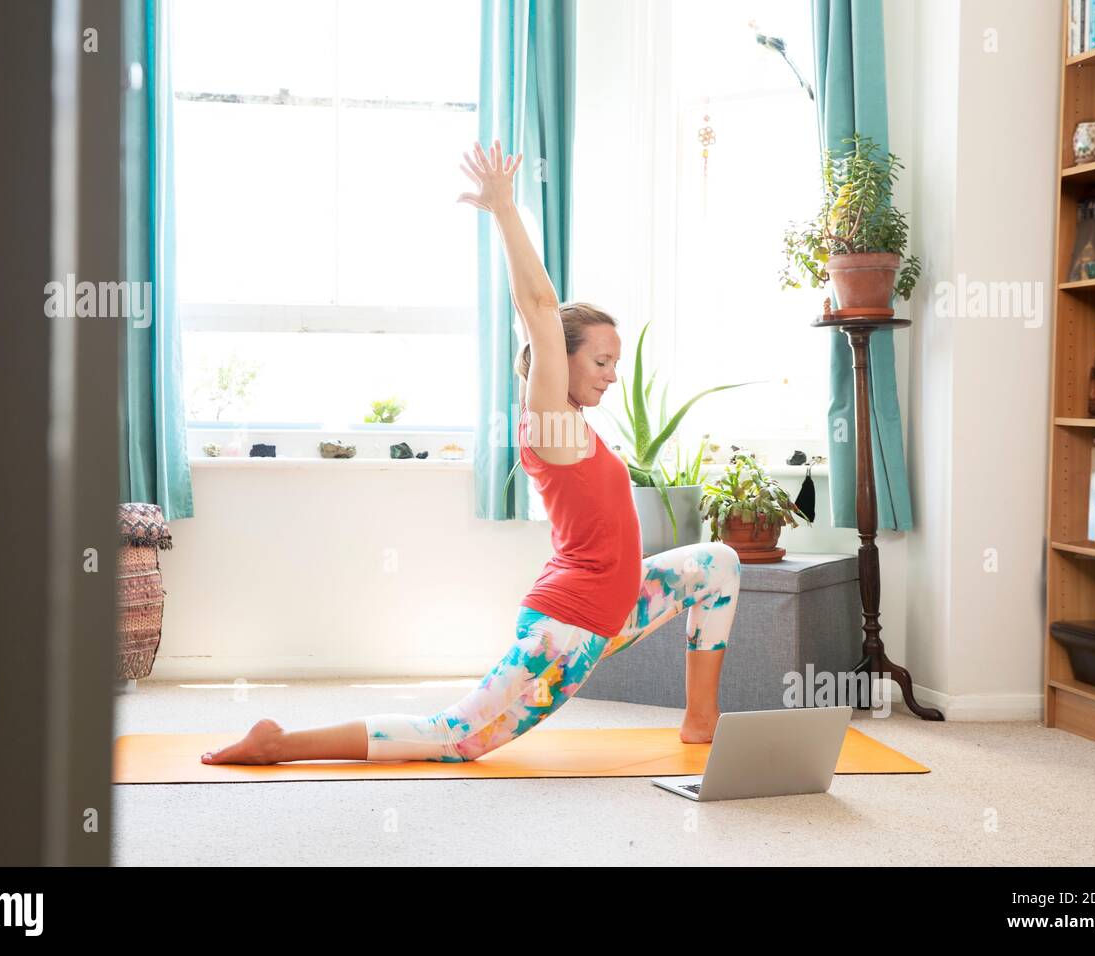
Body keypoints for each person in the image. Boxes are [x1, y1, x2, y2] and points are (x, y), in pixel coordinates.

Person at [201, 139, 742, 767]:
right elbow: (539, 307)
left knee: (717, 563)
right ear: (556, 359)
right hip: (565, 633)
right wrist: (505, 210)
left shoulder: (577, 428)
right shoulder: (550, 426)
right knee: (453, 739)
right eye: (601, 361)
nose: (612, 376)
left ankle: (701, 720)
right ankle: (280, 743)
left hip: (614, 608)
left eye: (615, 363)